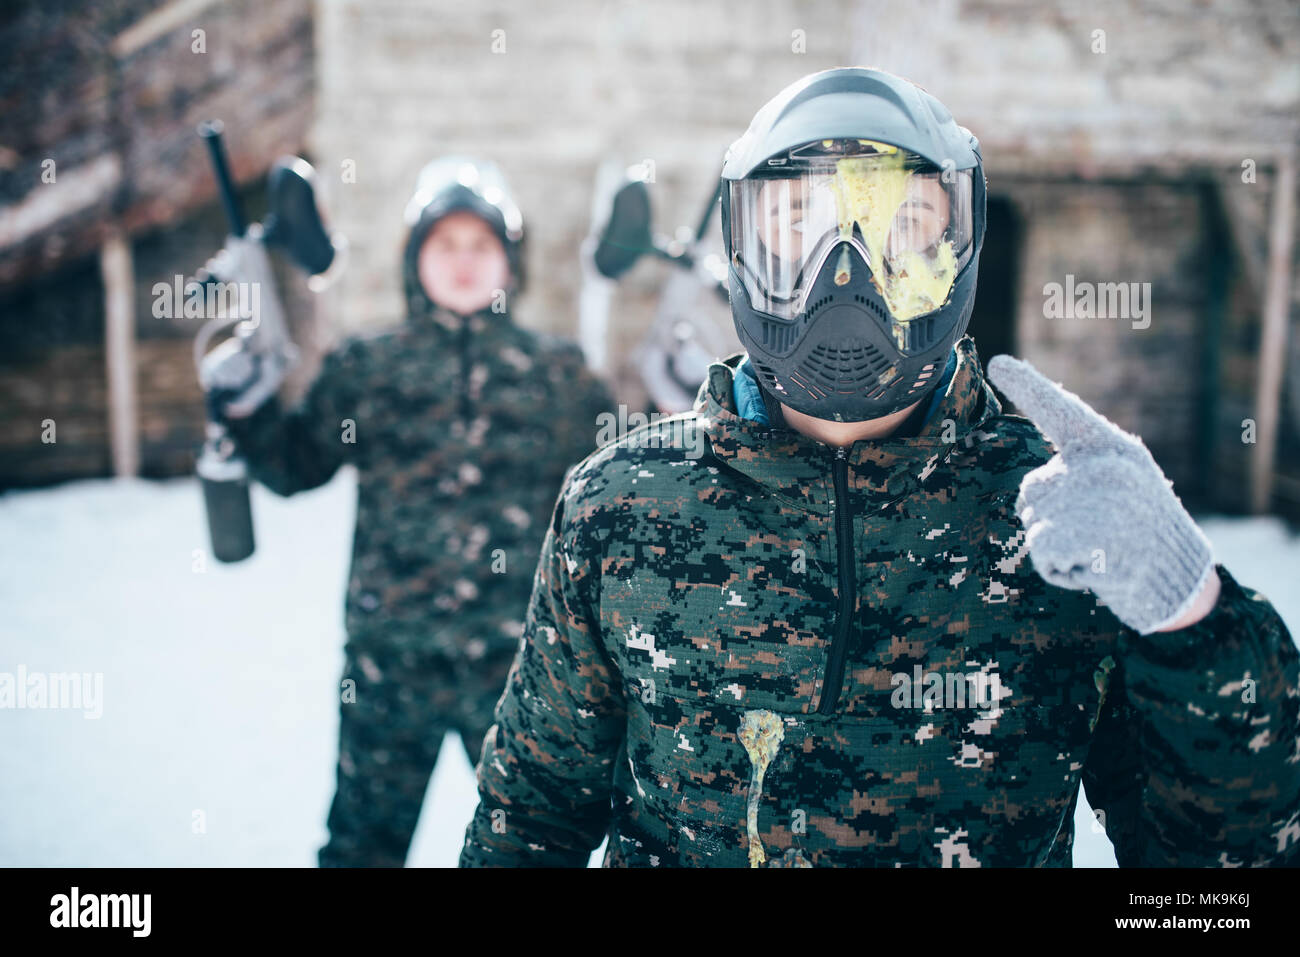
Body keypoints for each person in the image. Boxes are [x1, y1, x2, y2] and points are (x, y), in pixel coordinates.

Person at [459, 68, 1299, 867]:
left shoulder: (1062, 513)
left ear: (961, 244)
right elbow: (532, 811)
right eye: (797, 224)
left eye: (901, 227)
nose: (847, 271)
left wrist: (1198, 623)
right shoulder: (622, 503)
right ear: (741, 247)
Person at [217, 156, 615, 866]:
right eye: (444, 244)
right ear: (414, 259)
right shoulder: (368, 365)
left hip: (521, 665)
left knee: (535, 849)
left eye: (481, 245)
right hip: (387, 662)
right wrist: (244, 407)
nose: (463, 263)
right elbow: (296, 466)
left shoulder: (561, 374)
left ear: (509, 262)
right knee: (361, 849)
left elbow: (620, 486)